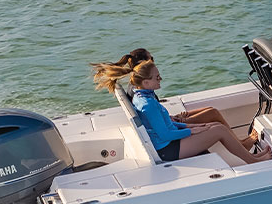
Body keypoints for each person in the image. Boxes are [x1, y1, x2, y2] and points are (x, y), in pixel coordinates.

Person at [93, 59, 271, 164]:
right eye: (157, 77)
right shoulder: (147, 104)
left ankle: (250, 155)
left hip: (169, 143)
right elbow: (165, 134)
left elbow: (166, 125)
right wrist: (190, 130)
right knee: (219, 130)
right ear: (146, 83)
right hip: (168, 150)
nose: (160, 79)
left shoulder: (144, 96)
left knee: (214, 125)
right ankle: (252, 161)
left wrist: (192, 126)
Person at [105, 48, 258, 149]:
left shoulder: (137, 87)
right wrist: (182, 123)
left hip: (168, 121)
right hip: (169, 128)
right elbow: (160, 125)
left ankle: (240, 142)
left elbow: (156, 116)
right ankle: (242, 145)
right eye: (151, 59)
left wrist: (175, 117)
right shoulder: (143, 92)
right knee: (213, 114)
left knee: (212, 111)